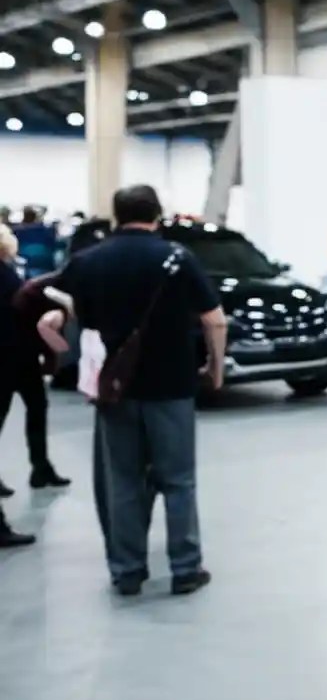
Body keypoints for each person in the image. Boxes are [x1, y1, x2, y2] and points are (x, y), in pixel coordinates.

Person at [59, 184, 226, 597]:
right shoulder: (177, 258)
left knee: (123, 481)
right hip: (171, 386)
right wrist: (216, 367)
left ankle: (127, 571)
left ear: (116, 215)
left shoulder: (87, 261)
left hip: (115, 387)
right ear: (157, 213)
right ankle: (185, 568)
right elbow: (215, 320)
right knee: (178, 480)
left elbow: (61, 310)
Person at [0, 232, 68, 498]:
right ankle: (40, 467)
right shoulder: (7, 275)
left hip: (17, 352)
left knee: (34, 408)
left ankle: (42, 467)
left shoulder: (10, 272)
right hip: (12, 353)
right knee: (34, 409)